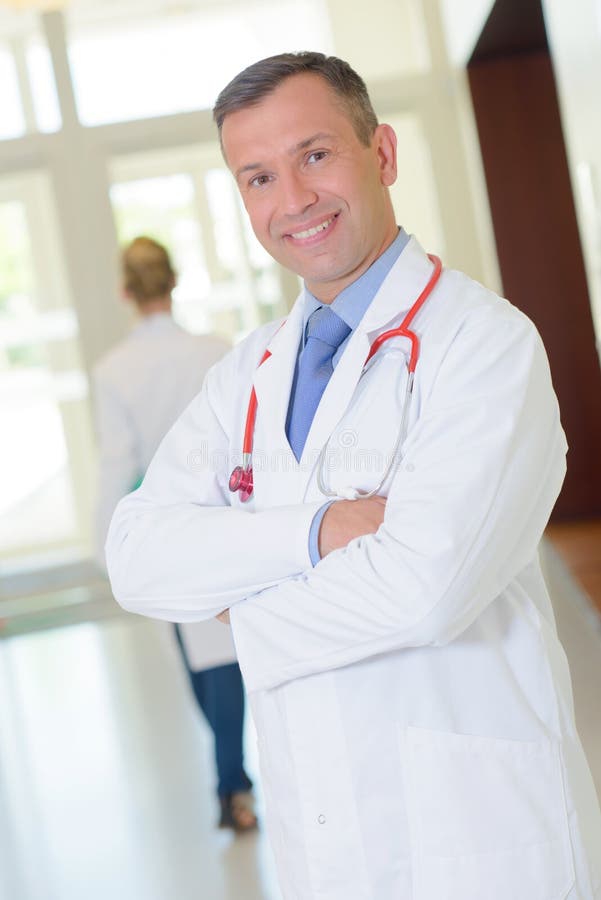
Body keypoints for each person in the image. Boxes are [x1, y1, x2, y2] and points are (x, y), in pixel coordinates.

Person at [106, 54, 601, 898]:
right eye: (258, 176)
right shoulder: (245, 373)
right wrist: (319, 530)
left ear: (383, 154)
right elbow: (136, 558)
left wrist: (234, 599)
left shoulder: (481, 345)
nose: (292, 199)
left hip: (474, 836)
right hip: (323, 842)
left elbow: (422, 589)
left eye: (315, 155)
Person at [94, 236, 256, 831]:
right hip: (227, 515)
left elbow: (116, 462)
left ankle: (231, 783)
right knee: (218, 655)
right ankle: (233, 777)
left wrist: (104, 547)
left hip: (163, 527)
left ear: (125, 293)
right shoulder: (217, 350)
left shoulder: (112, 371)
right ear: (175, 281)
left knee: (204, 658)